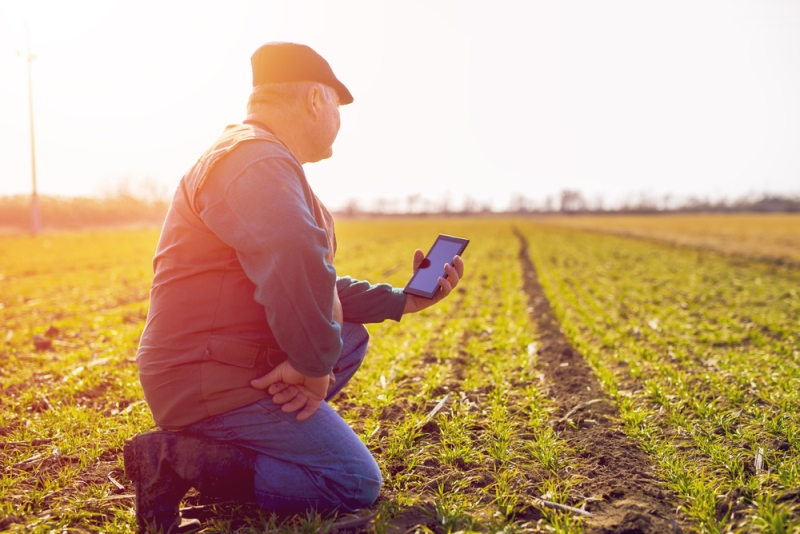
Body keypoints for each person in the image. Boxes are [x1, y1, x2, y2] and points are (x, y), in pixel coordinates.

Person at [123, 42, 465, 533]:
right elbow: (294, 260)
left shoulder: (262, 160)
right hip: (204, 374)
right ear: (313, 100)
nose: (339, 122)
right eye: (337, 107)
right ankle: (179, 459)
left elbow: (314, 281)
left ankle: (238, 449)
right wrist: (310, 365)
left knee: (348, 338)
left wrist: (405, 300)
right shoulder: (253, 161)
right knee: (351, 481)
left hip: (223, 359)